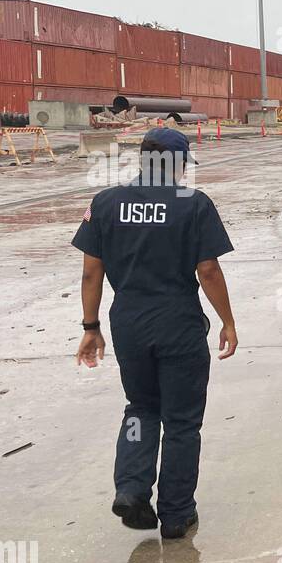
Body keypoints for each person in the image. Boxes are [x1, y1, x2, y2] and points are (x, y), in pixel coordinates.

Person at [72, 127, 237, 540]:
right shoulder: (193, 204)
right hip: (177, 321)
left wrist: (90, 327)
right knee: (181, 421)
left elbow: (92, 270)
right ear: (177, 164)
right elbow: (208, 269)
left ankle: (130, 488)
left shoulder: (106, 202)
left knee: (141, 407)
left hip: (127, 321)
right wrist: (228, 321)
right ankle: (177, 514)